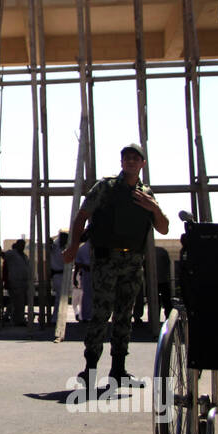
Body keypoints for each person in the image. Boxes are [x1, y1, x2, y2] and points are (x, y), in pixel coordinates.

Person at [63, 142, 170, 390]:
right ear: (122, 162)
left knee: (126, 315)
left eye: (136, 158)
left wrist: (153, 208)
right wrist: (72, 247)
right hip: (106, 260)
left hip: (132, 261)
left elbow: (163, 227)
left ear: (143, 164)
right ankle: (89, 370)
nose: (131, 161)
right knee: (101, 314)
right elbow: (82, 216)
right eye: (127, 158)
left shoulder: (146, 194)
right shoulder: (106, 188)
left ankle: (118, 370)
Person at [2, 239, 31, 327]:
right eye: (20, 244)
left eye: (23, 245)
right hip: (15, 281)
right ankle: (17, 320)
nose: (22, 246)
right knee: (16, 302)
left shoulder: (24, 256)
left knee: (21, 303)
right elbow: (3, 256)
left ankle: (19, 319)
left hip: (24, 282)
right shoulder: (12, 254)